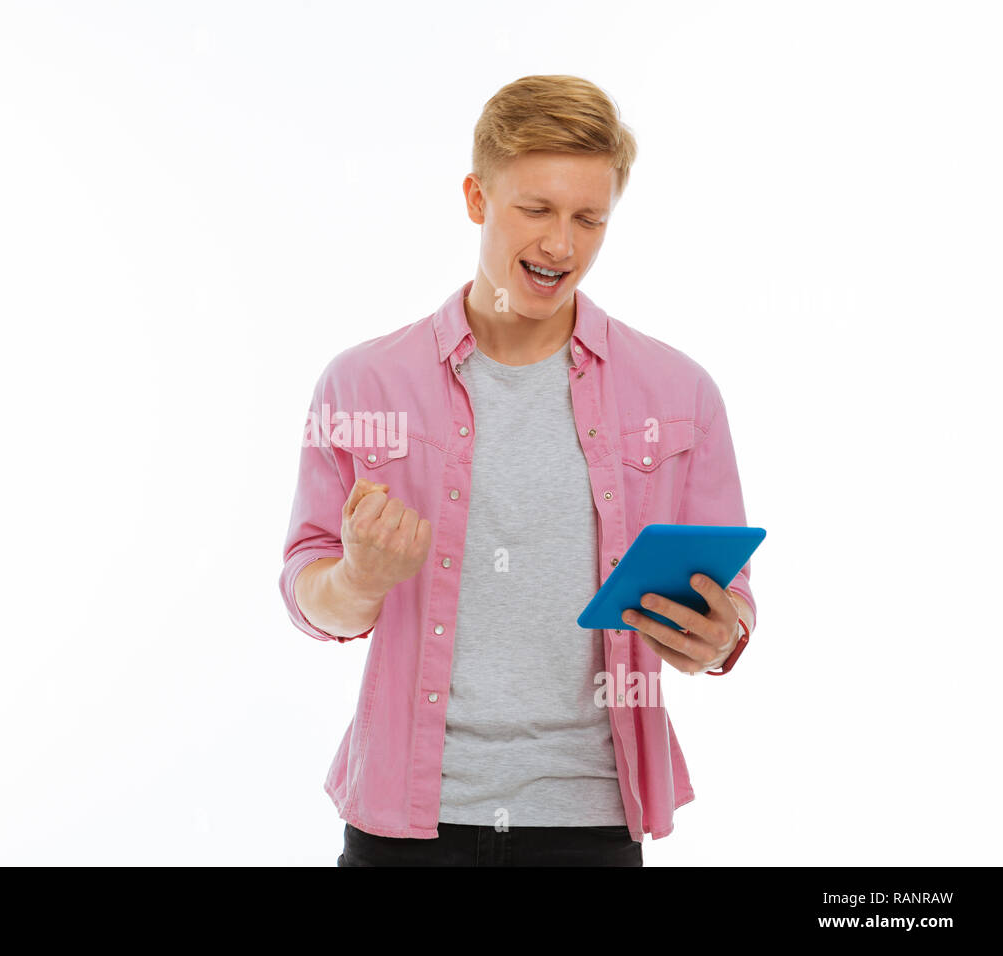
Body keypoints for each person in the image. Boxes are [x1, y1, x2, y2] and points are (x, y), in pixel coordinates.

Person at [278, 75, 757, 867]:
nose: (562, 245)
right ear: (476, 197)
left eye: (588, 218)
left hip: (593, 821)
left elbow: (731, 600)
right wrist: (359, 580)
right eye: (536, 210)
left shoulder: (680, 392)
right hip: (406, 823)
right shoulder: (362, 385)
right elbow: (306, 585)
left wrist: (718, 637)